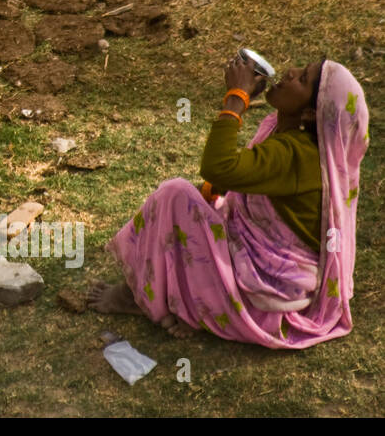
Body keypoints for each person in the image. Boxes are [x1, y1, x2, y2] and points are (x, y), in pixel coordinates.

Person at [88, 54, 369, 347]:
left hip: (260, 297)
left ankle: (151, 299)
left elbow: (218, 166)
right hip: (278, 279)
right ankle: (191, 300)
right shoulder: (290, 138)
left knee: (175, 194)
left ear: (311, 114)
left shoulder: (296, 155)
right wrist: (210, 193)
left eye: (302, 79)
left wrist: (236, 99)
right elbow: (235, 179)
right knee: (202, 200)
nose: (290, 72)